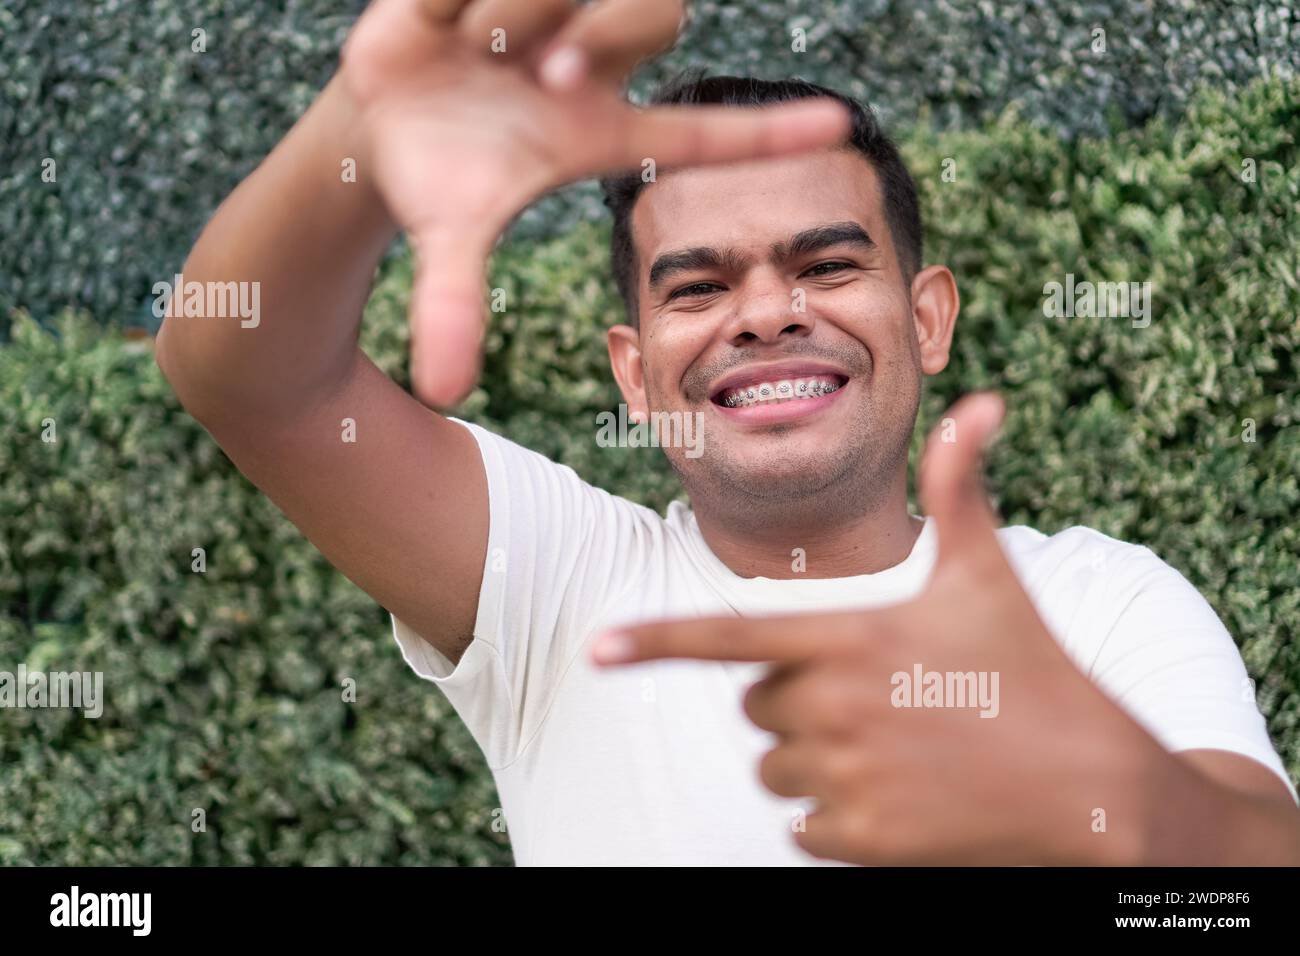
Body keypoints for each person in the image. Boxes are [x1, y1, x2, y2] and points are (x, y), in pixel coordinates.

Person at [155, 0, 1300, 865]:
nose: (766, 311)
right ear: (637, 372)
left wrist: (1103, 791)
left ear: (927, 315)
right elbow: (246, 374)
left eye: (827, 263)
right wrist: (361, 139)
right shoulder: (560, 581)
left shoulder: (1103, 602)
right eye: (697, 287)